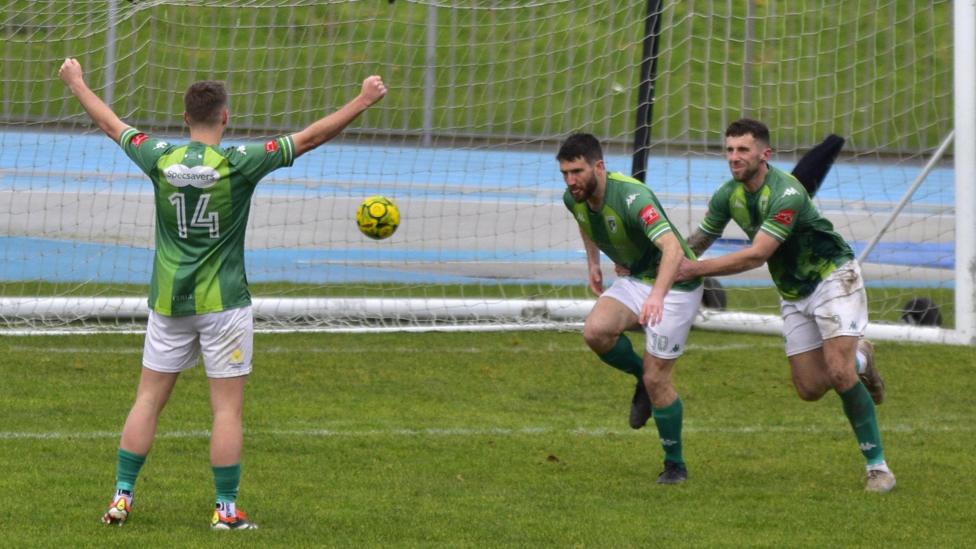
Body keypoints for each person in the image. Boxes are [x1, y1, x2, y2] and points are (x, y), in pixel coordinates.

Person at [58, 58, 387, 528]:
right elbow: (310, 137)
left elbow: (112, 125)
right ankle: (225, 511)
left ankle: (121, 497)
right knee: (227, 409)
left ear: (185, 117)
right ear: (226, 117)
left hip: (169, 303)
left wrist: (77, 82)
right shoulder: (241, 163)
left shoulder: (159, 156)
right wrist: (363, 99)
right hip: (225, 304)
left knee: (147, 400)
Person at [675, 118, 895, 493]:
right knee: (809, 388)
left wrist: (692, 269)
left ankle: (878, 468)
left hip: (832, 276)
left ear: (765, 154)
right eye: (729, 149)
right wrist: (657, 263)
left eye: (743, 149)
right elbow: (699, 239)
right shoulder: (728, 195)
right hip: (794, 291)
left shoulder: (787, 192)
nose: (734, 157)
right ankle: (862, 359)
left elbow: (757, 255)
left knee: (839, 374)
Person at [557, 133, 703, 484]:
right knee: (595, 332)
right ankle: (640, 377)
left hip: (676, 284)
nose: (570, 181)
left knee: (659, 378)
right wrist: (593, 263)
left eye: (577, 172)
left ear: (600, 166)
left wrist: (657, 296)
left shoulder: (634, 197)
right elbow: (584, 220)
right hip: (636, 278)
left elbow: (673, 249)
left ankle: (675, 466)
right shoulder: (573, 197)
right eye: (564, 173)